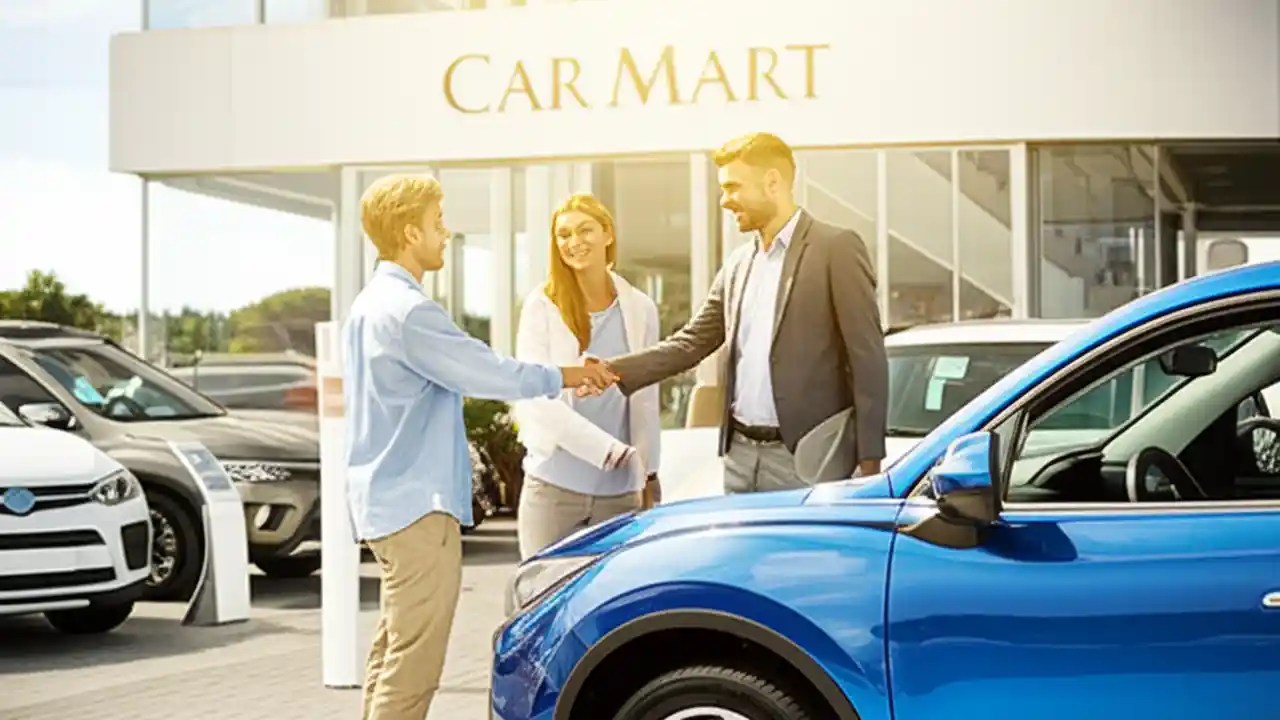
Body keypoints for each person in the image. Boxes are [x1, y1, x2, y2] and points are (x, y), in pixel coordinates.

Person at [341, 173, 615, 720]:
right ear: (409, 233)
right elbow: (488, 372)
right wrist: (567, 373)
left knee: (394, 648)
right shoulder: (408, 311)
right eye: (437, 224)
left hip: (387, 502)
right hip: (416, 507)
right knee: (415, 661)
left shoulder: (370, 303)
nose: (447, 233)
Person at [600, 132, 888, 493]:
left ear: (772, 182)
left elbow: (868, 359)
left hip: (806, 458)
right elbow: (692, 342)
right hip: (738, 455)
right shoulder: (738, 264)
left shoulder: (836, 248)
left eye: (733, 187)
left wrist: (870, 463)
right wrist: (610, 371)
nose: (725, 201)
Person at [510, 192, 663, 560]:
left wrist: (649, 470)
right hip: (554, 488)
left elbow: (646, 398)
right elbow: (534, 394)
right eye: (564, 235)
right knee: (540, 597)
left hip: (620, 494)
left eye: (584, 230)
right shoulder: (542, 305)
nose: (574, 242)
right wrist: (608, 451)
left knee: (615, 605)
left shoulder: (640, 307)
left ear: (608, 234)